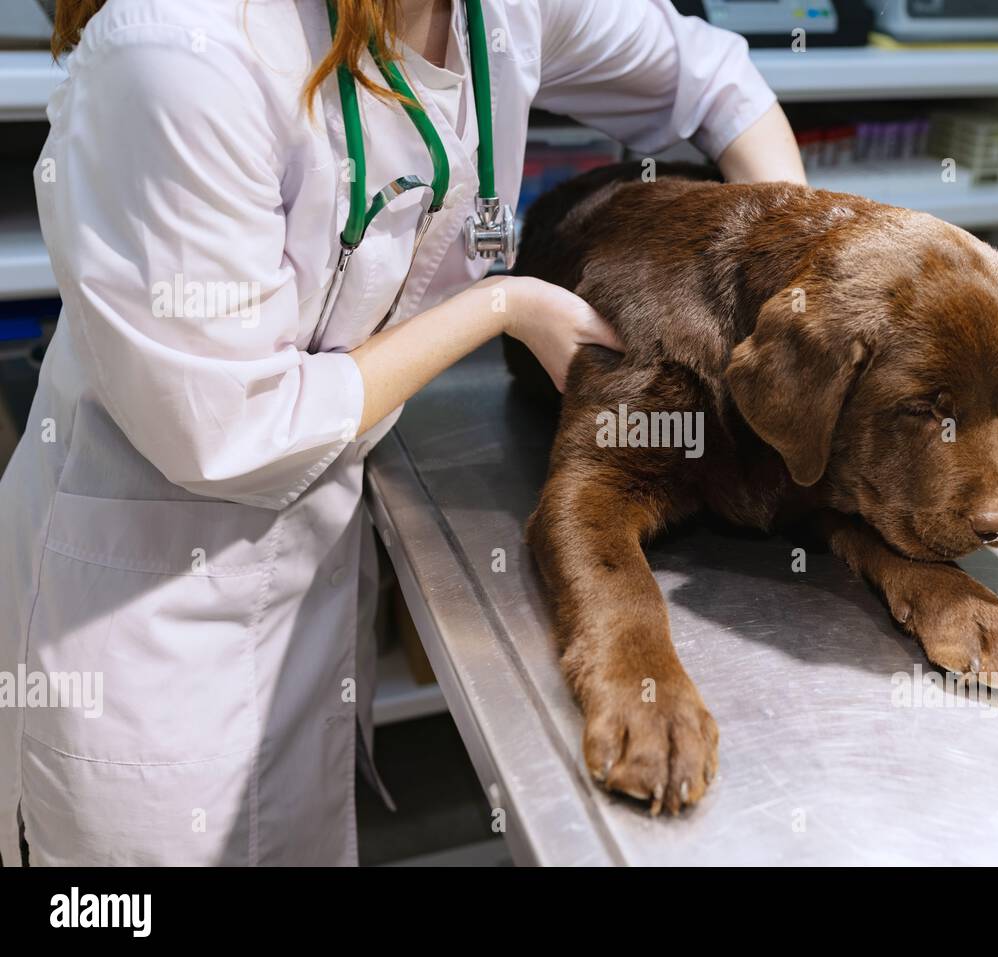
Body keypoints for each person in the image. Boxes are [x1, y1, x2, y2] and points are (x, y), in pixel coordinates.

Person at [0, 0, 805, 865]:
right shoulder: (177, 47)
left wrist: (800, 280)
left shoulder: (501, 9)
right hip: (146, 601)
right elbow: (227, 427)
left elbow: (713, 78)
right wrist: (501, 305)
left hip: (311, 558)